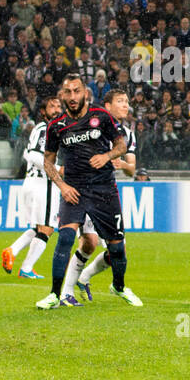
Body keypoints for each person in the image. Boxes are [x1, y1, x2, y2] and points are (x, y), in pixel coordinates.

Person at [38, 74, 139, 308]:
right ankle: (55, 294)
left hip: (104, 189)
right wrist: (62, 186)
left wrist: (106, 156)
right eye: (67, 92)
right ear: (62, 95)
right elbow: (47, 162)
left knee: (116, 247)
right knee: (64, 237)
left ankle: (119, 287)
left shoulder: (101, 117)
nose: (72, 97)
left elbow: (121, 146)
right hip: (74, 189)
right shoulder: (56, 126)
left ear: (85, 93)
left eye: (76, 91)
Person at [69, 89, 137, 300]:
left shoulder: (127, 134)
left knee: (118, 251)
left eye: (127, 101)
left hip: (107, 192)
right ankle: (66, 291)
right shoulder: (92, 125)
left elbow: (132, 169)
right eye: (120, 101)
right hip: (86, 189)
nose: (125, 105)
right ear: (107, 106)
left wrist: (121, 163)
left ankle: (85, 277)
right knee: (89, 241)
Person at [2, 96, 62, 280]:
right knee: (48, 228)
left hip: (34, 182)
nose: (57, 109)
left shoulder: (49, 129)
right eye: (52, 106)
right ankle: (26, 267)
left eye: (59, 105)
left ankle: (12, 250)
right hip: (44, 183)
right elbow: (34, 156)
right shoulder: (45, 129)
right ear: (43, 111)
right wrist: (59, 170)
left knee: (40, 227)